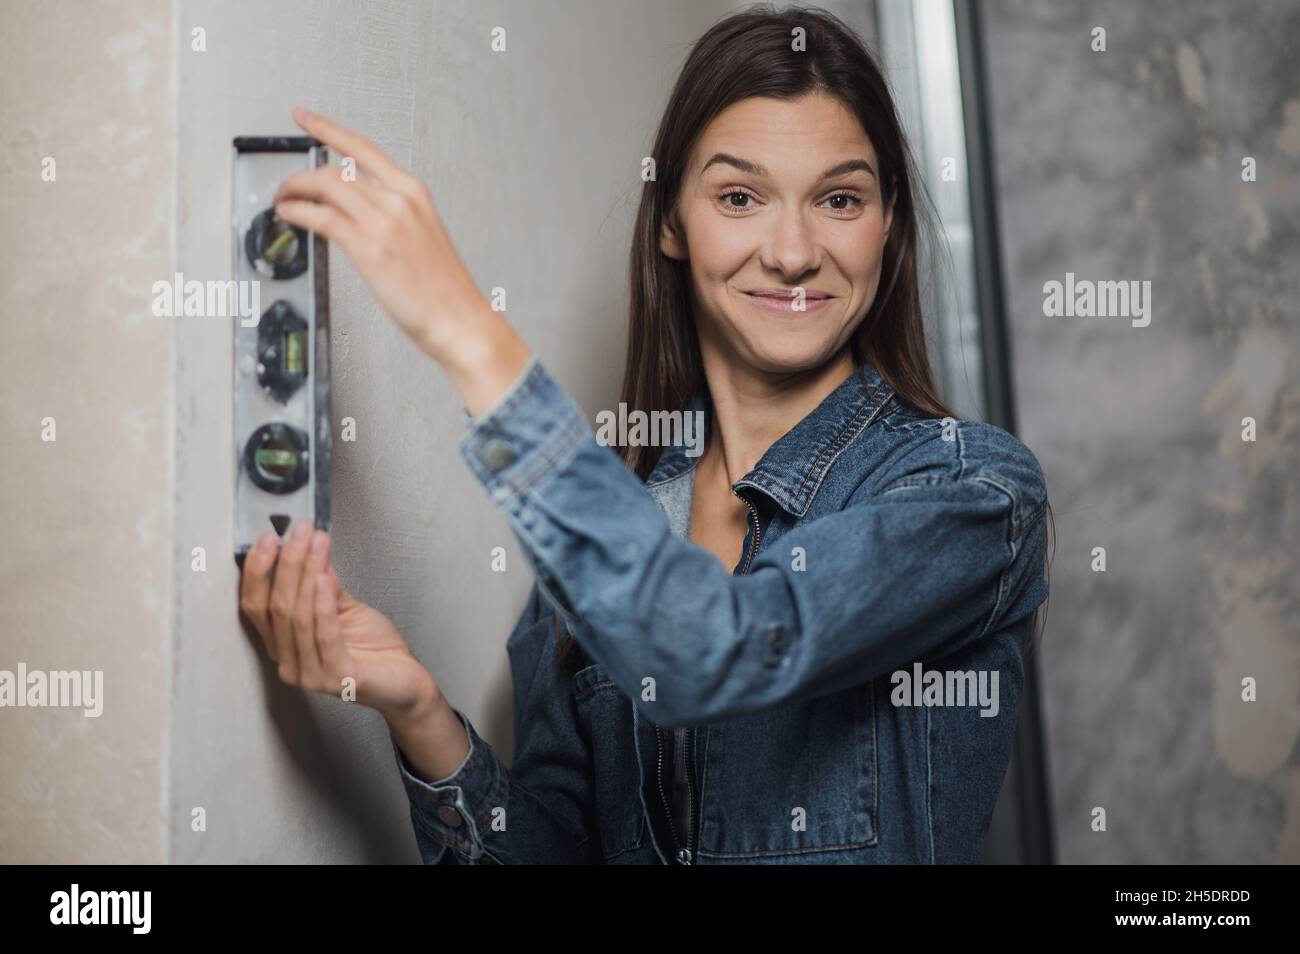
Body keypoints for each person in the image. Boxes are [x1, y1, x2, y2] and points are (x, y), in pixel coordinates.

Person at [238, 4, 1053, 865]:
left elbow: (716, 646)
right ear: (671, 221)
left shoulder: (970, 492)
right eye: (739, 197)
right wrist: (418, 713)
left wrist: (468, 332)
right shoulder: (600, 542)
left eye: (840, 199)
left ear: (887, 229)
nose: (791, 251)